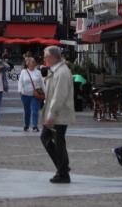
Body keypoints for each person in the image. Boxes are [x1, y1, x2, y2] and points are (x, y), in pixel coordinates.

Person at [40, 45, 74, 183]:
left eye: (46, 56)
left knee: (57, 142)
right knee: (50, 139)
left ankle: (63, 171)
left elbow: (59, 96)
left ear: (53, 57)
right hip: (55, 114)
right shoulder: (56, 71)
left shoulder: (62, 72)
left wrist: (51, 115)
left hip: (59, 115)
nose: (44, 59)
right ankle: (63, 168)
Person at [18, 56, 44, 132]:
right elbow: (20, 82)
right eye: (31, 62)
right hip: (25, 94)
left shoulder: (38, 72)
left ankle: (35, 126)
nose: (33, 64)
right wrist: (20, 90)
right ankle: (26, 125)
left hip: (35, 95)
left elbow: (42, 83)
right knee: (27, 111)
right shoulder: (23, 72)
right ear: (28, 64)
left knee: (35, 110)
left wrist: (45, 92)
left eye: (34, 62)